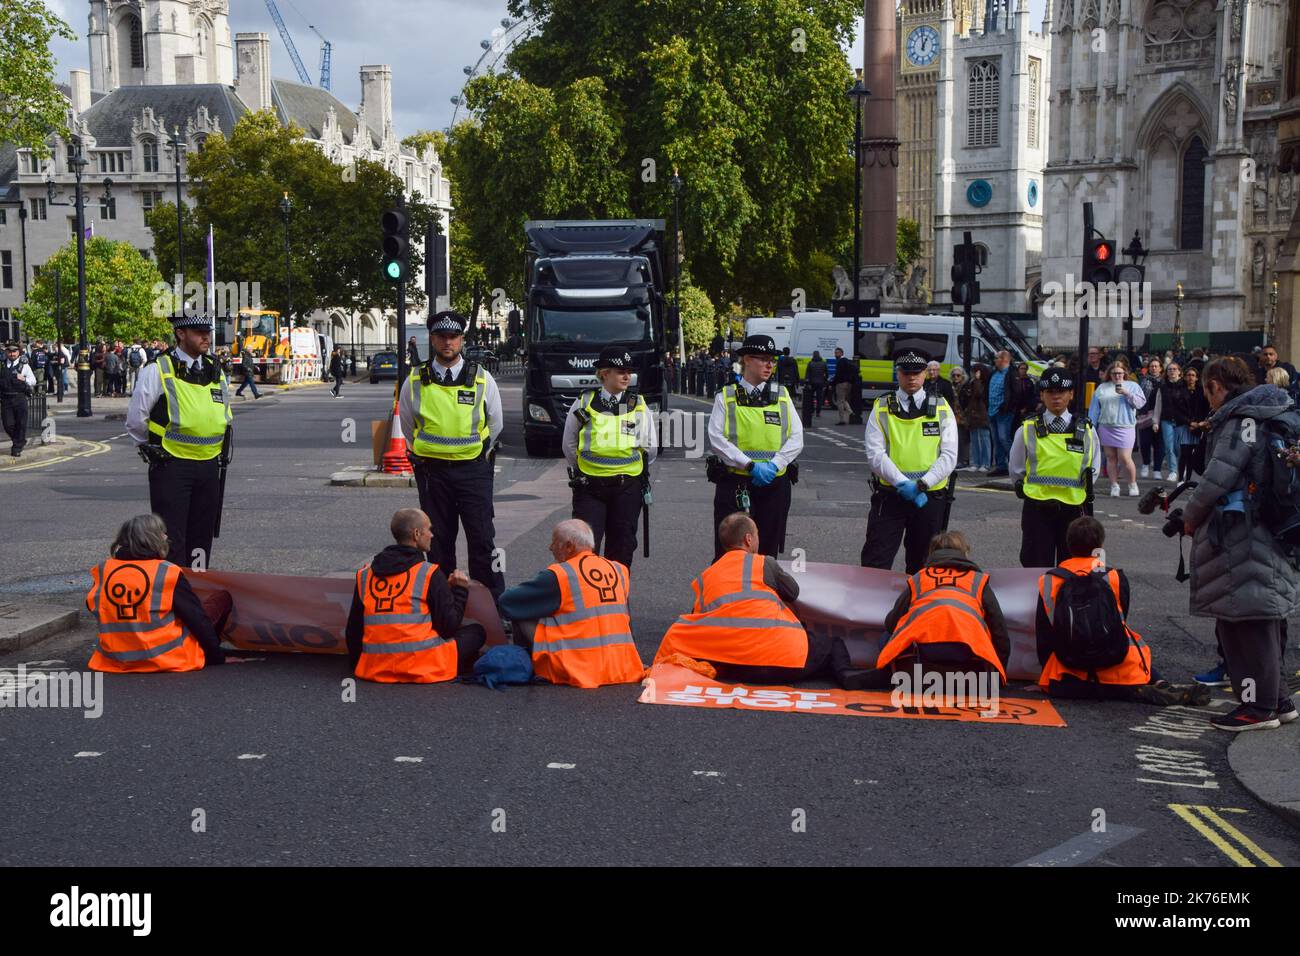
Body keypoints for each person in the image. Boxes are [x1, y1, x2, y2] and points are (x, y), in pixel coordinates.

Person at [1179, 356, 1300, 730]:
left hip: (1243, 535)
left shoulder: (1240, 420)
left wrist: (1188, 518)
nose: (1207, 399)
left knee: (1243, 624)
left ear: (1216, 385)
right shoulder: (1274, 412)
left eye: (1207, 391)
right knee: (1264, 620)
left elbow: (1218, 478)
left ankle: (1255, 707)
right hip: (1276, 529)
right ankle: (1277, 701)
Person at [654, 513, 854, 684]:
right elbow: (793, 592)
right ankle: (846, 676)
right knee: (831, 644)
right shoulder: (763, 563)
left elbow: (698, 618)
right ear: (749, 539)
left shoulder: (707, 576)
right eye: (757, 534)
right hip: (782, 661)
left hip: (734, 665)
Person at [1036, 517, 1206, 705]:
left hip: (1067, 663)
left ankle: (1096, 688)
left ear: (1068, 545)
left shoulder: (1049, 580)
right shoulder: (1113, 576)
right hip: (1114, 658)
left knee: (1064, 681)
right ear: (1100, 546)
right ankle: (1157, 683)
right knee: (1134, 640)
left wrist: (1045, 671)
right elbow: (1119, 622)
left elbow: (1044, 633)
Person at [400, 310, 505, 600]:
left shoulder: (482, 378)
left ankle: (492, 604)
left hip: (473, 470)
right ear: (432, 340)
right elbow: (408, 425)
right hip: (433, 472)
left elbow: (495, 424)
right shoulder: (416, 379)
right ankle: (442, 602)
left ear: (461, 340)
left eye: (453, 337)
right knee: (438, 541)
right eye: (442, 337)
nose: (448, 342)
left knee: (482, 539)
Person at [125, 314, 233, 568]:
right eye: (198, 332)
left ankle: (197, 585)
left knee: (202, 534)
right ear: (180, 334)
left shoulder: (215, 369)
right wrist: (151, 447)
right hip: (172, 464)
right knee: (171, 536)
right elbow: (136, 419)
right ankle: (175, 592)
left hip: (209, 465)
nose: (206, 337)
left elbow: (225, 414)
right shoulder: (158, 368)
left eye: (207, 331)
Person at [498, 519, 644, 688]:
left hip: (579, 667)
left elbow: (508, 601)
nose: (550, 547)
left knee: (524, 609)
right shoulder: (619, 570)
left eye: (554, 542)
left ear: (568, 546)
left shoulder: (561, 574)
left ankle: (529, 662)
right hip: (621, 665)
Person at [345, 508, 484, 683]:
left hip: (374, 666)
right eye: (429, 530)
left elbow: (354, 629)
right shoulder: (429, 573)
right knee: (477, 632)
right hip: (422, 664)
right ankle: (457, 666)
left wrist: (358, 665)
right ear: (417, 534)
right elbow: (448, 627)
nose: (432, 535)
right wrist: (460, 590)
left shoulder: (365, 575)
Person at [86, 513, 228, 672]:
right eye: (162, 532)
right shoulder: (167, 572)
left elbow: (93, 607)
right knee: (220, 599)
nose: (166, 536)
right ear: (152, 539)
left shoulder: (103, 570)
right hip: (166, 657)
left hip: (114, 659)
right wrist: (216, 657)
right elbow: (197, 619)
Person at [706, 333, 803, 560]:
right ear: (746, 360)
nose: (769, 364)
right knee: (730, 551)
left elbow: (796, 437)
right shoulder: (726, 396)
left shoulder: (782, 395)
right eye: (763, 359)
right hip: (736, 483)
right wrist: (750, 465)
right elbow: (717, 438)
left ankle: (762, 595)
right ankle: (729, 595)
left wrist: (773, 466)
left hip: (774, 484)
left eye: (772, 360)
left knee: (768, 551)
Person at [862, 348, 958, 574]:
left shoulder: (942, 407)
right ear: (898, 373)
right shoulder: (883, 406)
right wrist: (901, 483)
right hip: (891, 495)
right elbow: (875, 454)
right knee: (876, 561)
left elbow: (949, 455)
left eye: (917, 372)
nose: (912, 377)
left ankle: (918, 608)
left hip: (928, 497)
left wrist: (922, 484)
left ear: (926, 373)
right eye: (906, 372)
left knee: (924, 565)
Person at [562, 346, 657, 567]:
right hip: (590, 488)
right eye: (620, 371)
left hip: (627, 487)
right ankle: (587, 599)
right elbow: (569, 443)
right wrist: (585, 467)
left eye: (629, 371)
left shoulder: (638, 404)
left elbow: (649, 447)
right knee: (584, 549)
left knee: (622, 549)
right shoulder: (584, 402)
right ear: (604, 373)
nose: (627, 376)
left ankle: (618, 600)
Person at [874, 530, 1009, 681]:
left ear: (932, 553)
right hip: (967, 648)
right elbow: (999, 630)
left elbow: (892, 623)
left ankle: (904, 674)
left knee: (887, 637)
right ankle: (963, 678)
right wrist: (999, 672)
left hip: (925, 650)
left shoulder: (920, 578)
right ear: (965, 553)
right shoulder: (978, 580)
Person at [1009, 367, 1098, 568]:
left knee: (1076, 568)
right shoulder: (1028, 428)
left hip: (1075, 510)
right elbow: (1016, 471)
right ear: (1042, 395)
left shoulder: (1086, 430)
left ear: (1071, 394)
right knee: (1036, 567)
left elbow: (1094, 468)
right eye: (1050, 392)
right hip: (1038, 509)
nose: (1056, 397)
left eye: (1061, 392)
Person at [1089, 360, 1145, 496]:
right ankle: (1114, 485)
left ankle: (1132, 484)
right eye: (1114, 373)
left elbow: (1140, 404)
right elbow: (1094, 409)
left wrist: (1126, 393)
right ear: (1110, 374)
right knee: (1110, 457)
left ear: (1124, 373)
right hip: (1106, 426)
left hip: (1125, 426)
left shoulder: (1132, 386)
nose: (1117, 376)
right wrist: (1091, 425)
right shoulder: (1102, 387)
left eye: (1120, 373)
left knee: (1125, 458)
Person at [1151, 362, 1189, 483]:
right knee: (1169, 446)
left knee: (1179, 447)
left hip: (1181, 421)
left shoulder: (1186, 386)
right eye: (1169, 369)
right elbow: (1158, 405)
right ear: (1166, 373)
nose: (1172, 371)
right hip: (1166, 419)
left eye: (1174, 369)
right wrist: (1155, 421)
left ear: (1179, 372)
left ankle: (1182, 468)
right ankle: (1173, 471)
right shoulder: (1162, 387)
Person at [986, 350, 1019, 476]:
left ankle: (1015, 463)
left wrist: (1008, 407)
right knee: (997, 440)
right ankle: (1001, 465)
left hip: (1004, 412)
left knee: (1004, 438)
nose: (995, 360)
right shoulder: (994, 373)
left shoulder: (1011, 373)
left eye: (997, 358)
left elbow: (1016, 393)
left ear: (1004, 359)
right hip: (992, 410)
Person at [1, 341, 36, 457]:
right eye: (9, 352)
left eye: (14, 352)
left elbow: (33, 381)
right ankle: (19, 440)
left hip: (19, 398)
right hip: (6, 398)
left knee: (21, 424)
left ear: (18, 352)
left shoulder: (24, 366)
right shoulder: (1, 365)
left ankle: (16, 447)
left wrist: (24, 378)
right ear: (6, 352)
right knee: (8, 425)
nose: (12, 354)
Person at [959, 364, 991, 471]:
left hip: (981, 414)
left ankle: (985, 464)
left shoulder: (983, 383)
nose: (972, 373)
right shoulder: (970, 382)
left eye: (974, 371)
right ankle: (975, 463)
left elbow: (978, 394)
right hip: (972, 414)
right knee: (974, 440)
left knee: (984, 439)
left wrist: (977, 380)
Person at [833, 347, 859, 425]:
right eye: (835, 353)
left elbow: (838, 374)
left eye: (837, 353)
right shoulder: (848, 361)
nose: (835, 354)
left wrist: (832, 383)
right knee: (843, 399)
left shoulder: (840, 362)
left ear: (841, 353)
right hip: (848, 384)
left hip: (841, 383)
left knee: (840, 402)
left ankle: (842, 420)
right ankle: (850, 412)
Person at [949, 366, 969, 467]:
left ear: (962, 376)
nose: (956, 377)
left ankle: (964, 460)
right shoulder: (950, 386)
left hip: (963, 416)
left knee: (963, 439)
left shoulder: (965, 386)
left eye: (958, 375)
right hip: (953, 416)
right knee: (954, 439)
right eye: (954, 375)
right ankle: (957, 460)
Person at [805, 350, 828, 417]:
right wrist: (825, 381)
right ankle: (818, 412)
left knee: (811, 398)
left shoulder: (810, 363)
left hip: (812, 382)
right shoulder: (823, 363)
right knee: (819, 398)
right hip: (820, 383)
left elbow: (808, 374)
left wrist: (807, 382)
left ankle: (812, 411)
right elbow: (826, 374)